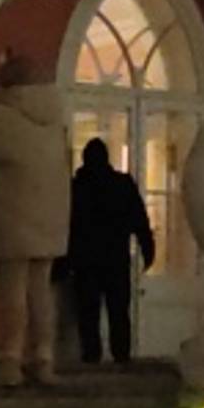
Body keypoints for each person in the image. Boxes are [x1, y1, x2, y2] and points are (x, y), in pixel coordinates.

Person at [0, 57, 71, 388]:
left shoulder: (5, 117)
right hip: (50, 216)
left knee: (13, 289)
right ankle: (44, 357)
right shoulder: (55, 121)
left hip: (10, 215)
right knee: (41, 290)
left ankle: (11, 357)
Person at [63, 138, 156, 365]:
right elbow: (140, 221)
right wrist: (147, 248)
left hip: (85, 261)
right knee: (118, 311)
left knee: (88, 313)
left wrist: (62, 264)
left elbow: (65, 227)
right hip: (115, 259)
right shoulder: (122, 185)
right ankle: (121, 356)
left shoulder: (76, 188)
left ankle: (91, 356)